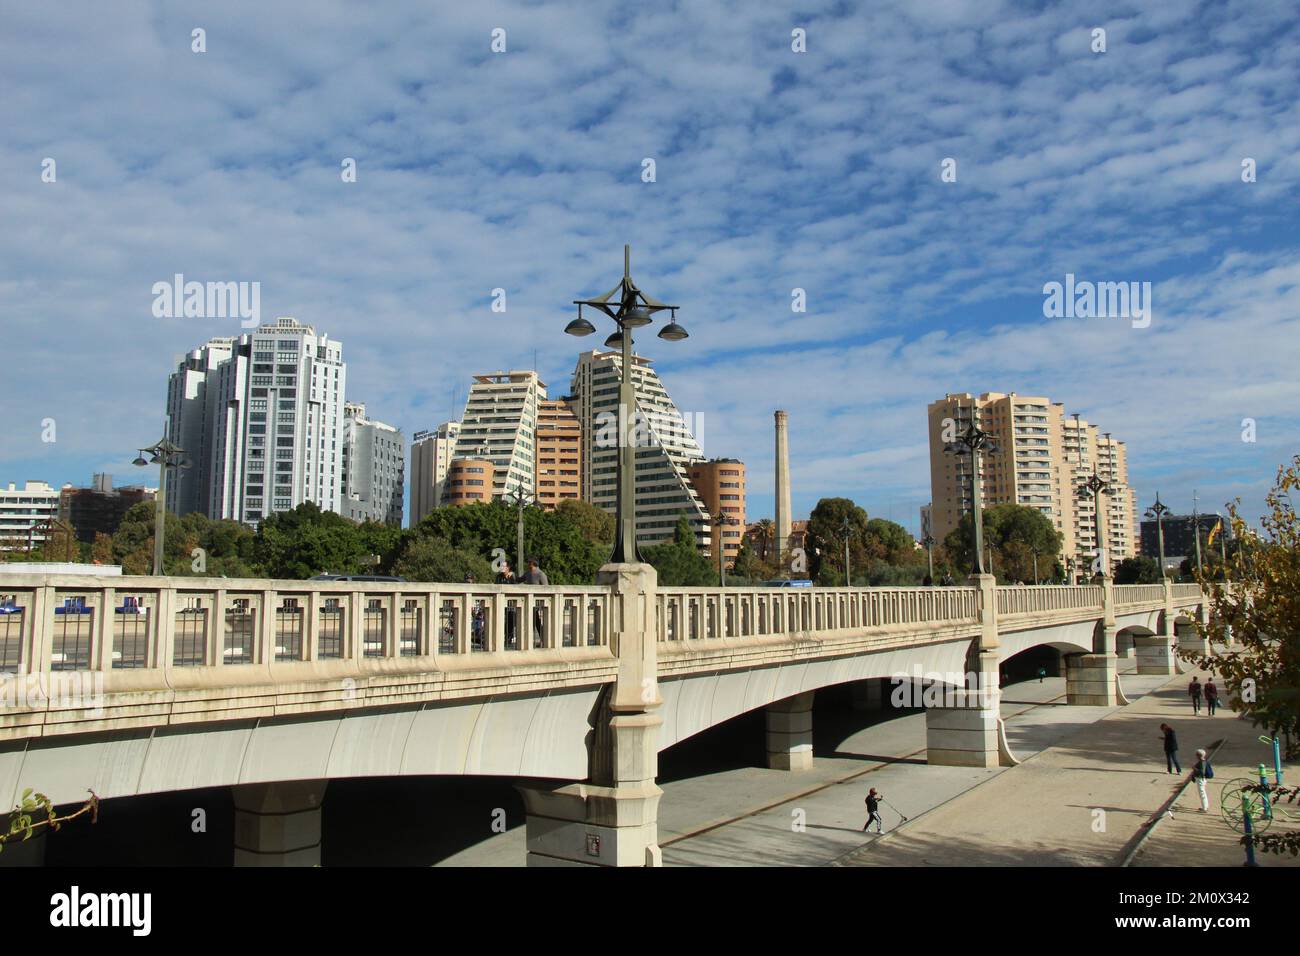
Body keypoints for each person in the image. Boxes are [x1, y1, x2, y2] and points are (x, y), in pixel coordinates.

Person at [521, 558, 550, 646]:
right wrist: (511, 574)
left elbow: (547, 588)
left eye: (529, 563)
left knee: (535, 621)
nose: (527, 564)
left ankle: (541, 640)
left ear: (533, 564)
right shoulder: (528, 573)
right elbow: (519, 579)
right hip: (529, 601)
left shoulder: (540, 574)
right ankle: (538, 640)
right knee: (534, 621)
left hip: (537, 602)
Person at [496, 562, 518, 648]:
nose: (502, 568)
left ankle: (508, 639)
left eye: (503, 566)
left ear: (508, 567)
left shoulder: (512, 576)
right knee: (501, 622)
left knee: (510, 622)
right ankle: (501, 639)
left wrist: (512, 576)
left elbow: (516, 587)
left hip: (510, 604)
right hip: (501, 604)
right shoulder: (499, 577)